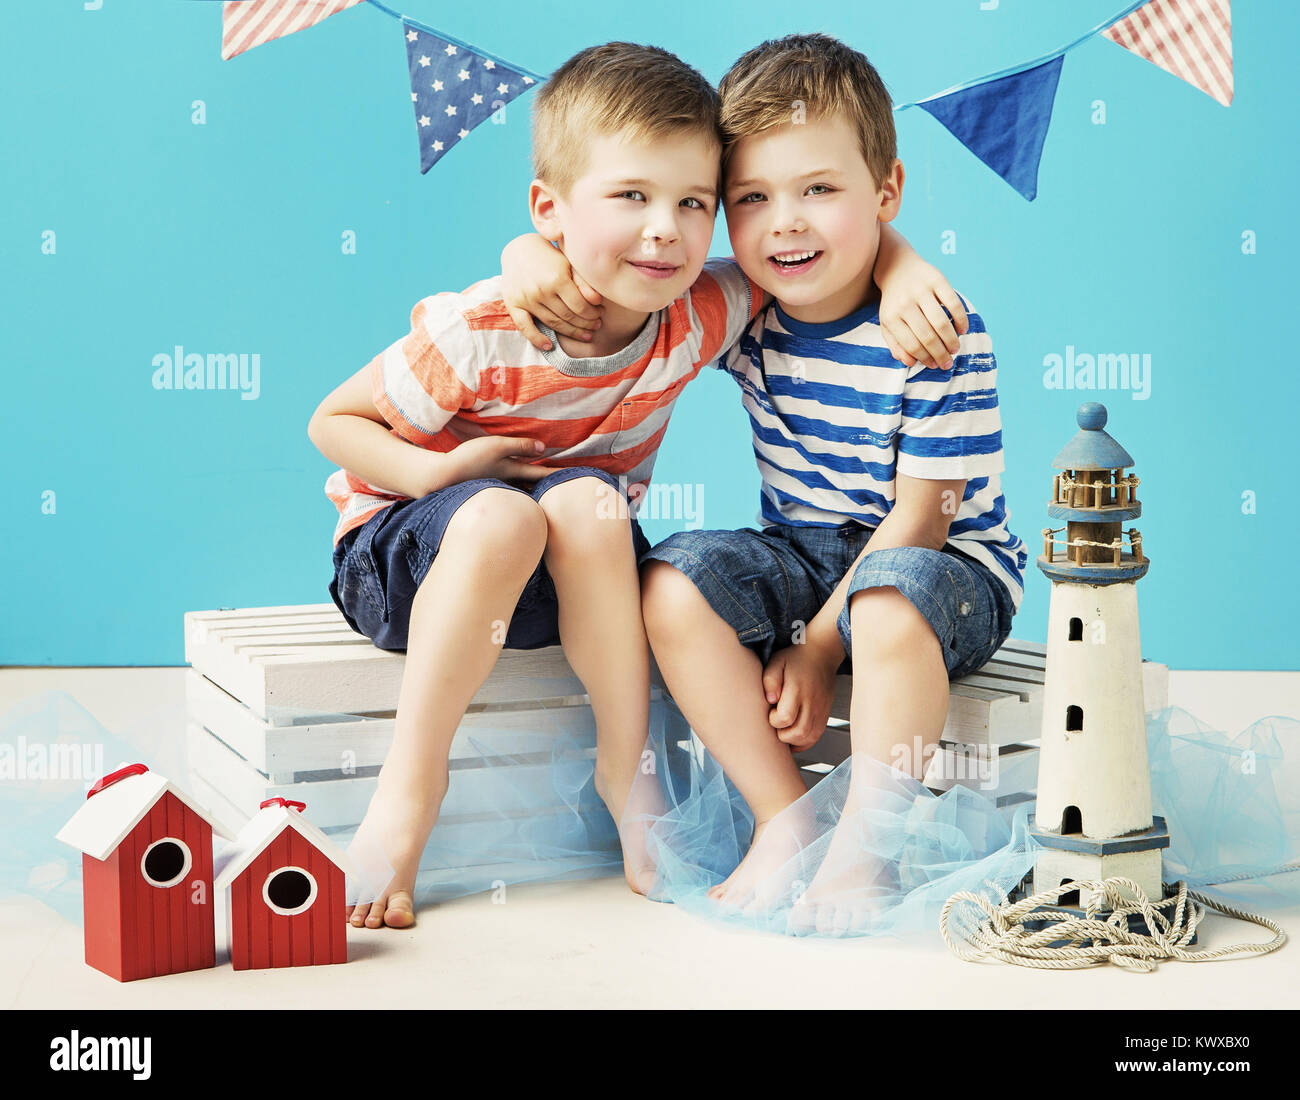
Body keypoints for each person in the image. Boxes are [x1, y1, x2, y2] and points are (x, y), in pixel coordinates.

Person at [501, 33, 1027, 928]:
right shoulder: (744, 312)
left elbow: (926, 521)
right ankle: (786, 813)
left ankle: (864, 848)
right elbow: (618, 275)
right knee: (669, 580)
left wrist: (820, 648)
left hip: (942, 573)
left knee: (892, 601)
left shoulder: (935, 327)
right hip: (802, 558)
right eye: (750, 199)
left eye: (819, 189)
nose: (784, 222)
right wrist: (529, 255)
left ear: (886, 192)